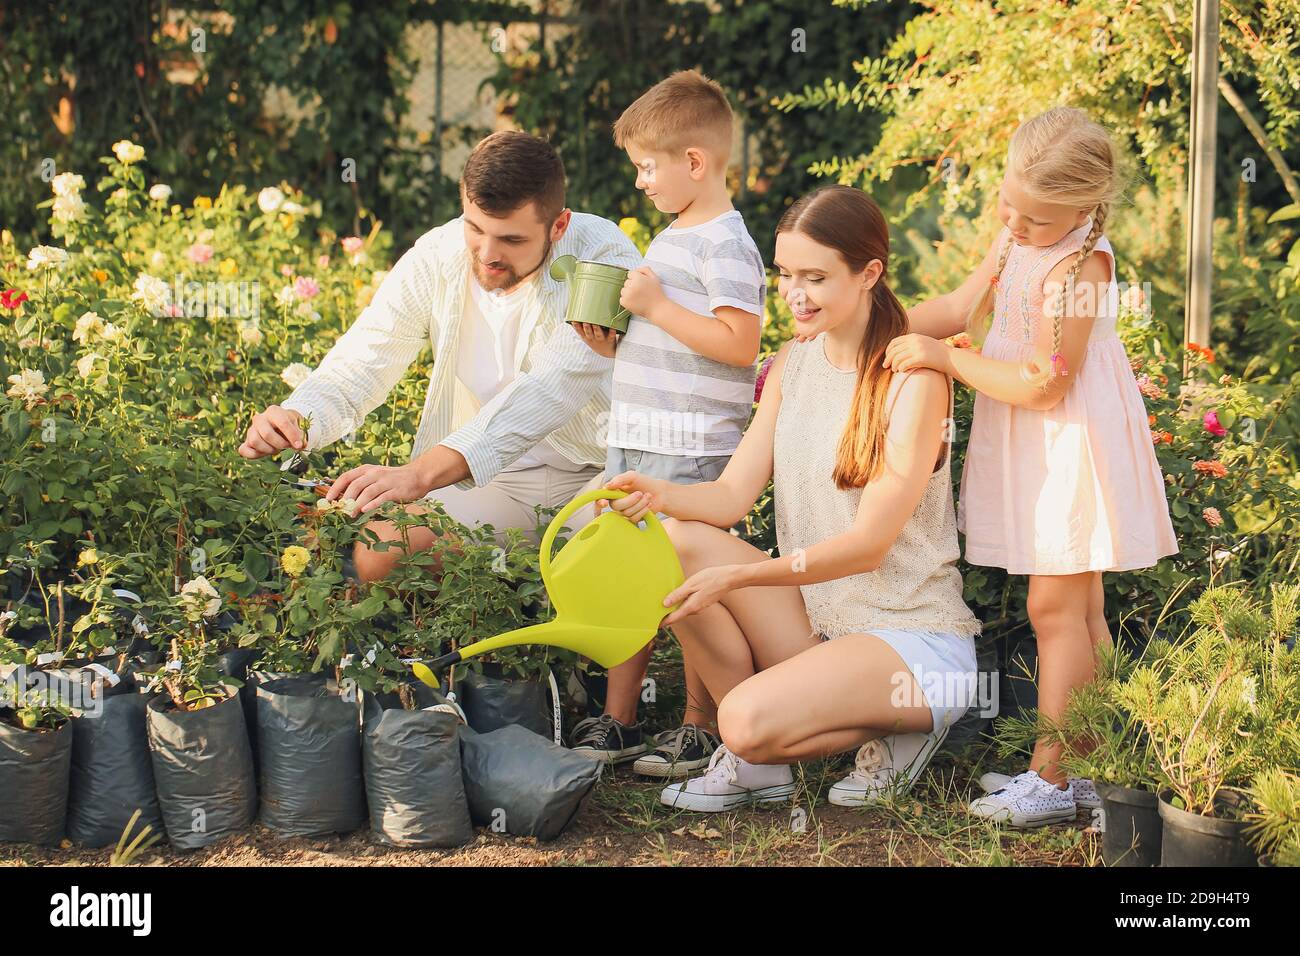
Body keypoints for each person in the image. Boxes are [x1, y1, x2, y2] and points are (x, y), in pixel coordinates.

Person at [603, 185, 982, 812]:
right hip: (820, 625)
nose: (794, 294)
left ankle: (903, 728)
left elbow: (867, 547)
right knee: (670, 544)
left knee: (745, 721)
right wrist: (657, 492)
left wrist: (742, 576)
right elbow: (729, 496)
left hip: (912, 641)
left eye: (815, 277)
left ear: (869, 274)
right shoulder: (792, 364)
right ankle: (757, 770)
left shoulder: (912, 380)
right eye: (784, 274)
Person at [884, 106, 1178, 827]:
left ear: (1084, 208)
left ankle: (1051, 777)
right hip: (1036, 438)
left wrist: (950, 357)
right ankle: (1092, 769)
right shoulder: (1019, 233)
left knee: (1057, 608)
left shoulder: (1084, 264)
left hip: (1068, 441)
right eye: (1008, 204)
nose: (1015, 225)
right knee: (1079, 610)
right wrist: (874, 327)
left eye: (1036, 220)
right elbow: (959, 303)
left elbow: (1048, 379)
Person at [237, 129, 638, 656]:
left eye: (512, 240)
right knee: (380, 552)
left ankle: (620, 707)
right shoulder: (438, 254)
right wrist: (299, 417)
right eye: (476, 229)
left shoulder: (605, 257)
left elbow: (550, 388)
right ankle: (431, 670)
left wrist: (420, 474)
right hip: (495, 483)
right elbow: (366, 357)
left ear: (558, 225)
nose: (488, 255)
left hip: (600, 479)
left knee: (638, 564)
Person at [569, 70, 766, 776]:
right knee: (630, 572)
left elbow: (739, 343)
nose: (642, 182)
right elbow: (683, 339)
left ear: (694, 162)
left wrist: (654, 310)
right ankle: (620, 719)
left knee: (680, 587)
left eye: (649, 167)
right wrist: (620, 342)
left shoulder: (726, 242)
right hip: (641, 439)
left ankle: (700, 724)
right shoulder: (675, 233)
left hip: (689, 449)